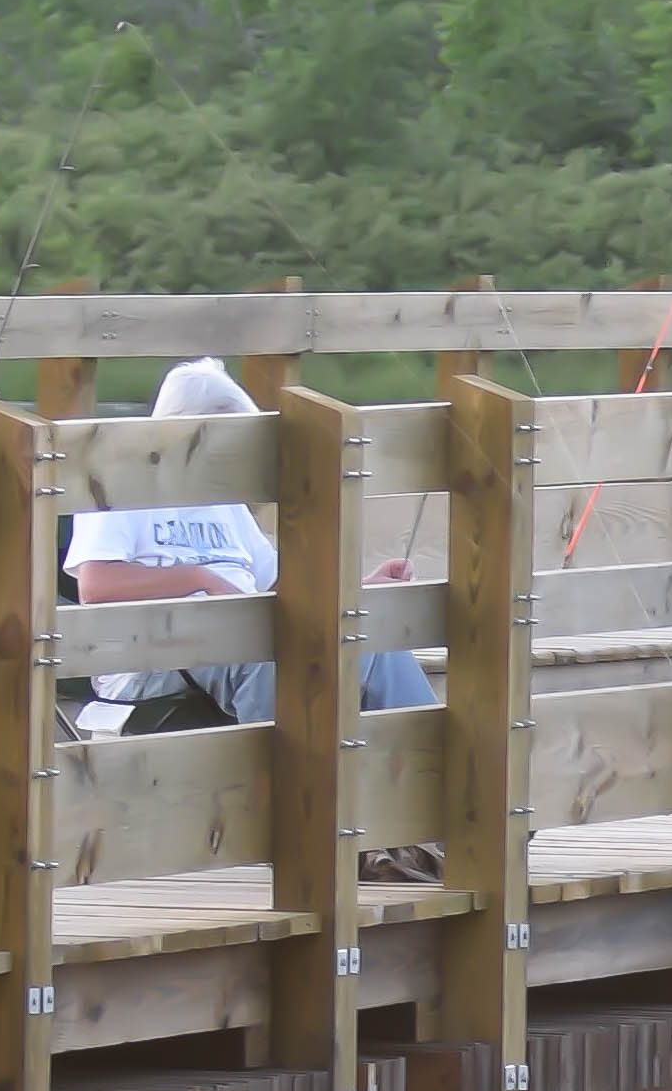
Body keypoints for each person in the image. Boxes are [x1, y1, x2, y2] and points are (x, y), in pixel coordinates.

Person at [65, 360, 445, 870]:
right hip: (161, 649)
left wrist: (363, 588)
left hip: (247, 632)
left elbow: (281, 587)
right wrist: (199, 579)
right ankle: (305, 827)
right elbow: (95, 585)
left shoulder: (225, 503)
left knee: (373, 639)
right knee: (273, 658)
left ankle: (436, 801)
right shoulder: (123, 490)